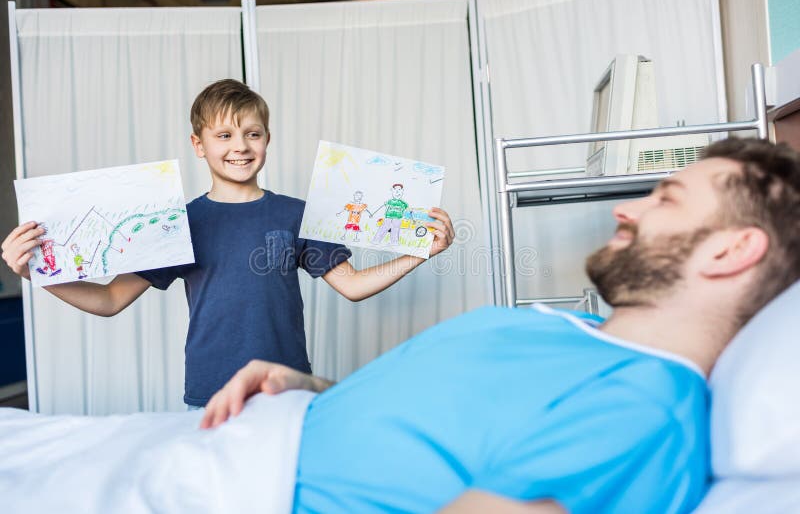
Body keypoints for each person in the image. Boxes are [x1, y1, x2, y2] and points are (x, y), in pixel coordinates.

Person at [200, 138, 800, 513]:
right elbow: (444, 423)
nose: (626, 206)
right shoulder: (570, 330)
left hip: (243, 487)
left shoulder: (642, 409)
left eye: (666, 199)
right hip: (251, 437)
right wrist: (312, 390)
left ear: (731, 250)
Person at [0, 79, 455, 409]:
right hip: (211, 390)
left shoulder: (297, 214)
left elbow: (352, 285)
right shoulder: (177, 223)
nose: (240, 146)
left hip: (286, 386)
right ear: (199, 145)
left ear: (267, 140)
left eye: (252, 134)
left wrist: (419, 251)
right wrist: (36, 274)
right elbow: (109, 299)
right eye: (224, 135)